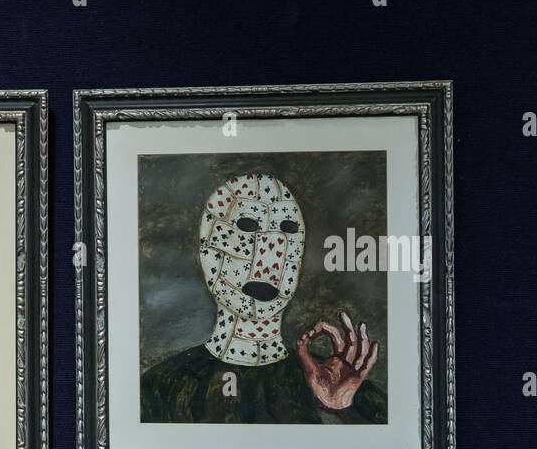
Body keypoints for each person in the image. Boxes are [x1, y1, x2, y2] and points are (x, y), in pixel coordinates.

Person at [139, 171, 385, 424]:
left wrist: (336, 408)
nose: (268, 256)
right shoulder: (159, 389)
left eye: (287, 232)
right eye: (247, 227)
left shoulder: (348, 389)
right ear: (207, 251)